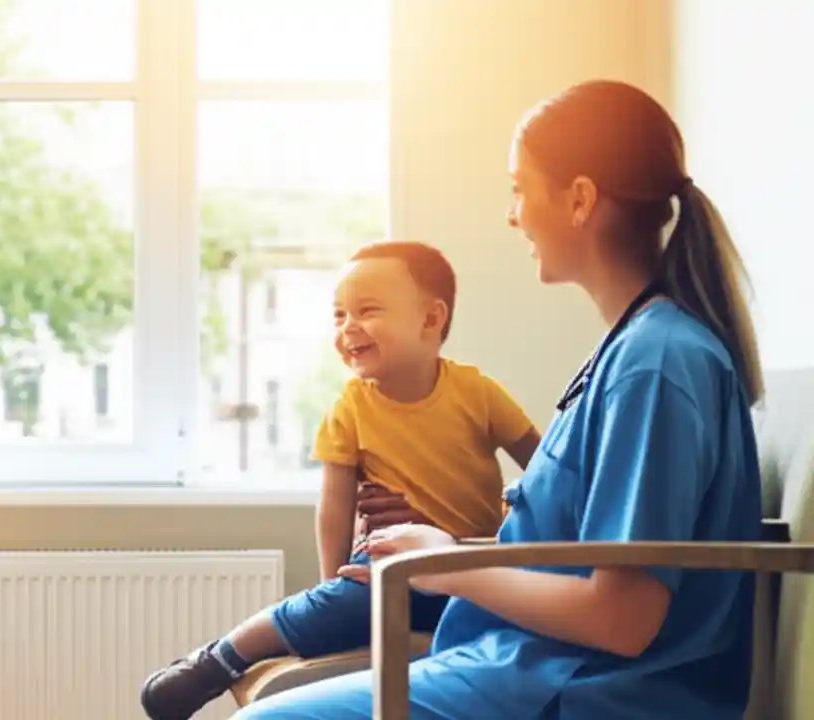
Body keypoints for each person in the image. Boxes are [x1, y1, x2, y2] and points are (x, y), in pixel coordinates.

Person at [233, 79, 765, 720]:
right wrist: (443, 550)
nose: (513, 215)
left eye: (519, 189)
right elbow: (579, 557)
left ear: (579, 200)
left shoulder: (656, 364)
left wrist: (448, 568)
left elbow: (624, 618)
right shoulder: (634, 350)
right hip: (527, 665)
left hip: (584, 691)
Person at [141, 241, 541, 720]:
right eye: (338, 315)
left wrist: (499, 536)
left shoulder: (477, 392)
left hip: (466, 571)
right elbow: (334, 506)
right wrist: (332, 581)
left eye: (367, 310)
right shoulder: (350, 409)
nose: (348, 327)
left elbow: (545, 470)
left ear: (431, 320)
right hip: (388, 571)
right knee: (336, 602)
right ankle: (220, 658)